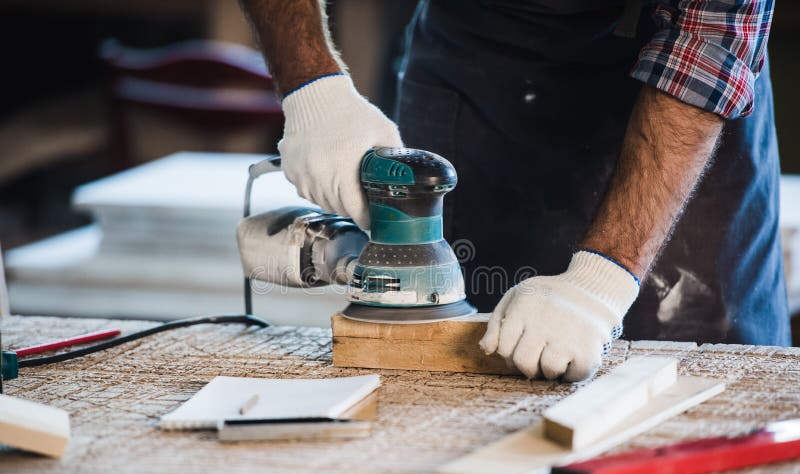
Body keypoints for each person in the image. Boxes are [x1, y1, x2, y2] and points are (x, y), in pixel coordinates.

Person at [240, 0, 788, 381]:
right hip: (478, 61)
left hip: (684, 100)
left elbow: (709, 36)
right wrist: (312, 89)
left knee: (704, 386)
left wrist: (600, 285)